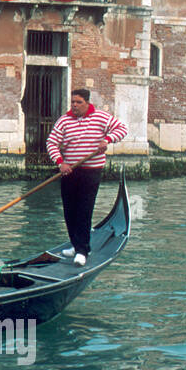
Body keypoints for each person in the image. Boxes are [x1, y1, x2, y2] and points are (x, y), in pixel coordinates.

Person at [46, 88, 127, 266]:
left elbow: (122, 128)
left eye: (78, 102)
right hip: (70, 171)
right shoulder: (64, 120)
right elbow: (51, 142)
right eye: (73, 102)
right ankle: (76, 245)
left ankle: (82, 251)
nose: (74, 105)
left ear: (87, 103)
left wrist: (107, 140)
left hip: (91, 171)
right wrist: (60, 163)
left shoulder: (101, 117)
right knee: (69, 211)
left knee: (84, 210)